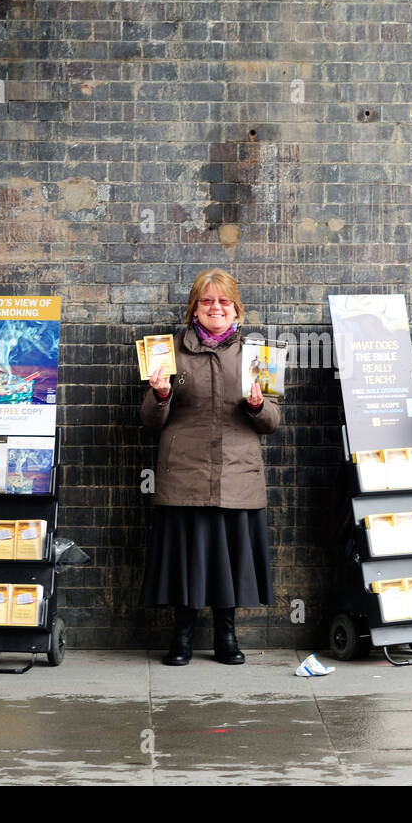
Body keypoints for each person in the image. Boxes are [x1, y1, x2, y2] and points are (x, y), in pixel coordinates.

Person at [139, 269, 280, 665]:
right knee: (188, 560)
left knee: (230, 561)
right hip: (185, 474)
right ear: (194, 309)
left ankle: (227, 638)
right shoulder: (168, 351)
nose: (215, 307)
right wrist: (160, 395)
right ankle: (181, 638)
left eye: (223, 301)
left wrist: (257, 405)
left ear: (236, 308)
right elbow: (150, 420)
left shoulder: (256, 354)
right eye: (207, 301)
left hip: (238, 475)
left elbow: (271, 422)